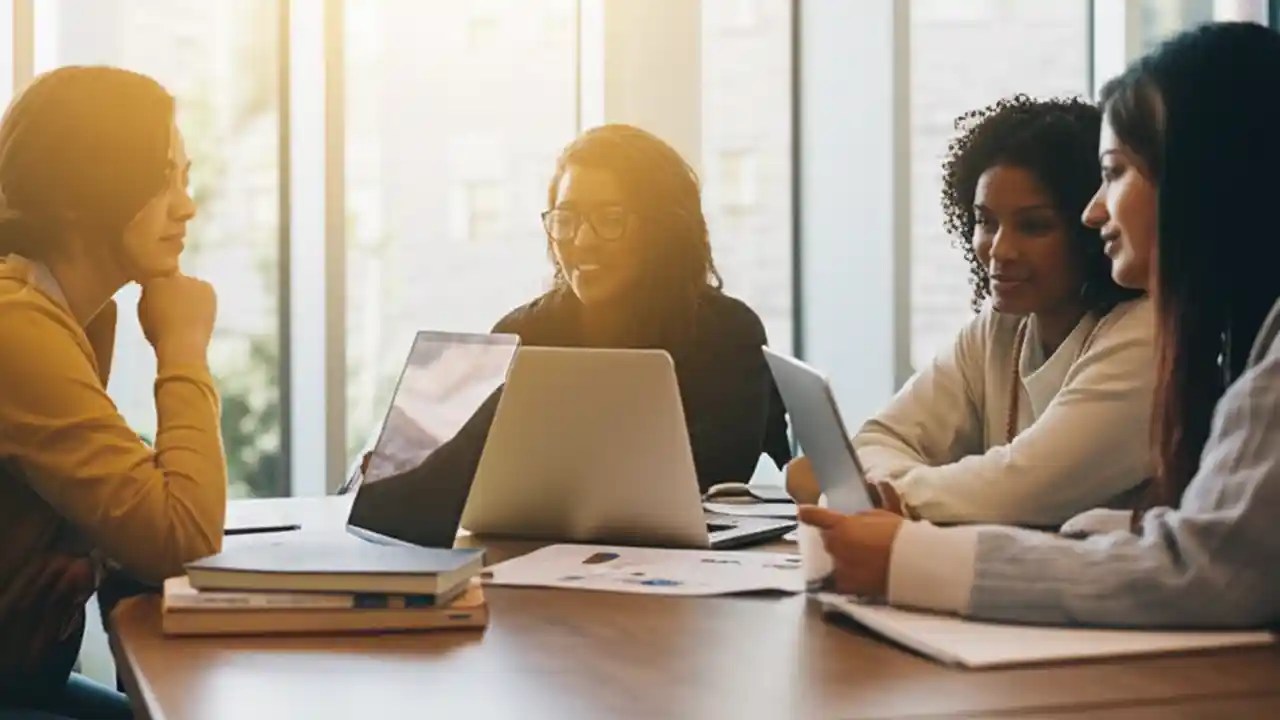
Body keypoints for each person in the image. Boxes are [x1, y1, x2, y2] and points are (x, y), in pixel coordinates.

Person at [798, 22, 1280, 628]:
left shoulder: (1166, 336)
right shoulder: (1247, 335)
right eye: (985, 221)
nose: (1094, 210)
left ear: (1210, 178)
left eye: (1117, 172)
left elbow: (1213, 573)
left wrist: (903, 550)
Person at [788, 96, 1152, 527]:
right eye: (987, 222)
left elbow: (1017, 492)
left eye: (1033, 226)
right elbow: (879, 438)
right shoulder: (999, 328)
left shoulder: (1146, 334)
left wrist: (878, 495)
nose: (999, 250)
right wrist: (877, 491)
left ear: (1090, 231)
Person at [0, 67, 226, 716]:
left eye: (184, 177)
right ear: (76, 191)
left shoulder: (77, 312)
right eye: (162, 179)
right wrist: (183, 349)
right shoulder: (16, 324)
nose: (185, 205)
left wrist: (88, 544)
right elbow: (180, 536)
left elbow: (117, 493)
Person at [493, 124, 790, 492]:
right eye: (566, 219)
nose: (582, 241)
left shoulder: (726, 333)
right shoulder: (520, 336)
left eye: (610, 219)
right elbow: (458, 475)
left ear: (662, 230)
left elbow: (716, 471)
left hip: (677, 549)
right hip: (531, 543)